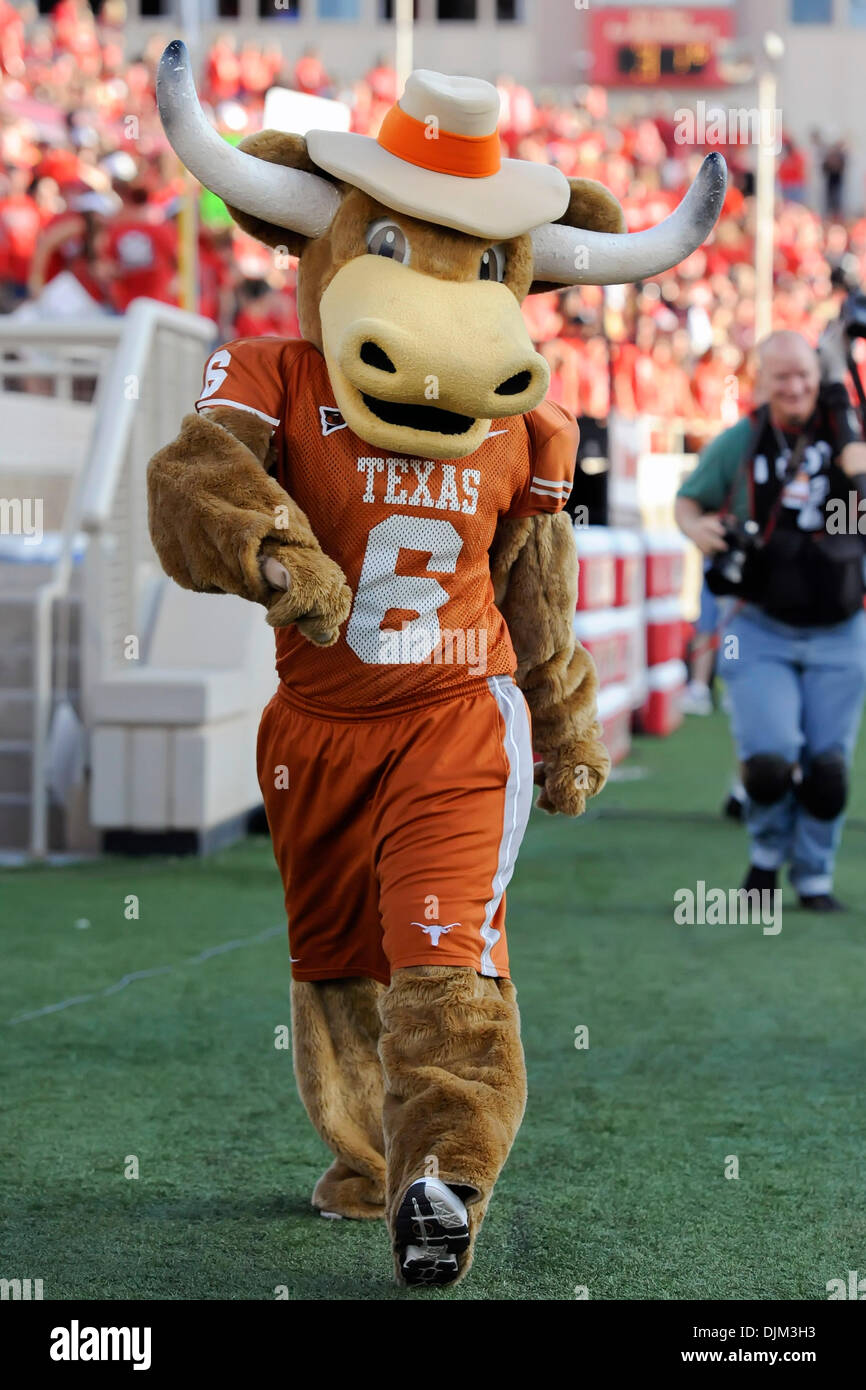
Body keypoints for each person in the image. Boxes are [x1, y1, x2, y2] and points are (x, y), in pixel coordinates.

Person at [674, 327, 866, 911]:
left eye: (805, 374)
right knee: (768, 760)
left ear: (821, 378)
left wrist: (844, 419)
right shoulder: (742, 440)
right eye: (782, 376)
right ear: (761, 381)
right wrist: (696, 527)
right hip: (757, 627)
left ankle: (814, 875)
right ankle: (764, 860)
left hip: (841, 627)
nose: (795, 386)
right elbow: (690, 500)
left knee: (828, 768)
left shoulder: (847, 437)